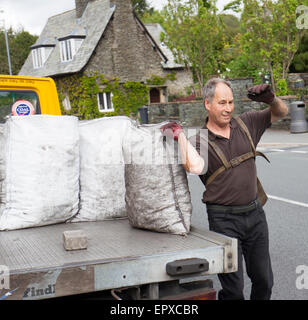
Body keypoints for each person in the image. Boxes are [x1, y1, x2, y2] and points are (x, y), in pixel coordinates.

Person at [160, 78, 289, 300]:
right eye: (222, 103)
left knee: (264, 281)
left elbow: (281, 112)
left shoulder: (247, 123)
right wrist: (180, 136)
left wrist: (272, 100)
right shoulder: (198, 141)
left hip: (255, 215)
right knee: (233, 290)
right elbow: (193, 166)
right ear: (207, 104)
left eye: (230, 102)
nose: (228, 108)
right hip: (224, 221)